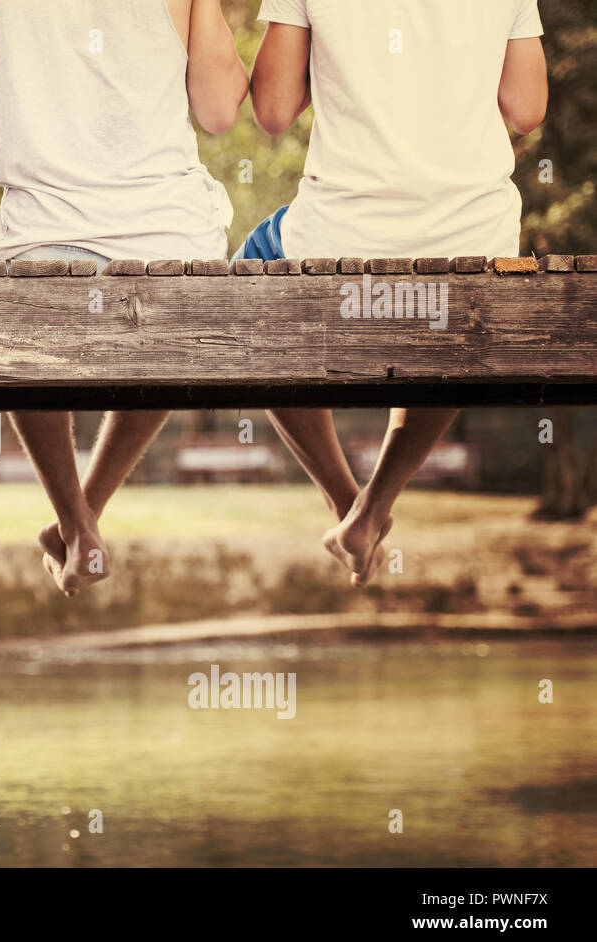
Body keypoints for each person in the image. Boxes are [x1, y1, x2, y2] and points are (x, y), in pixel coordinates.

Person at [237, 0, 549, 586]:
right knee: (450, 325)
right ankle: (372, 508)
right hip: (472, 240)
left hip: (337, 241)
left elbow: (274, 110)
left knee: (245, 289)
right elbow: (527, 110)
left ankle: (343, 498)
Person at [0, 0, 248, 594]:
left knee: (24, 309)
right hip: (172, 237)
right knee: (171, 317)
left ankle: (75, 518)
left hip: (41, 235)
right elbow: (218, 111)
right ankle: (83, 514)